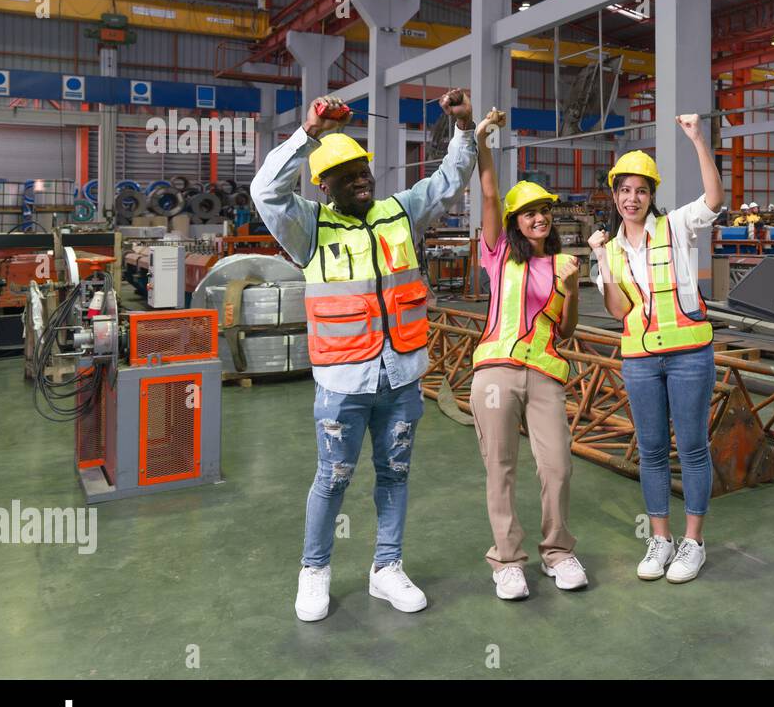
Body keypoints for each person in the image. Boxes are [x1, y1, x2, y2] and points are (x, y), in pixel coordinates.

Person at [251, 91, 477, 622]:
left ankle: (387, 568)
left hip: (400, 376)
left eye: (363, 169)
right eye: (347, 173)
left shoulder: (400, 213)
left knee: (395, 472)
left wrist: (464, 128)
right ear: (323, 185)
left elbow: (449, 179)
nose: (361, 178)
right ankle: (314, 571)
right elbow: (266, 190)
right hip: (342, 382)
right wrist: (309, 134)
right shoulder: (308, 228)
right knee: (333, 477)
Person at [588, 114, 723, 583]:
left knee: (691, 449)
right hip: (641, 360)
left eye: (641, 190)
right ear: (614, 195)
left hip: (689, 355)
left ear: (651, 195)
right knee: (649, 451)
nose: (632, 198)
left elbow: (715, 199)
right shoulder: (609, 248)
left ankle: (694, 543)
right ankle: (660, 540)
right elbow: (615, 307)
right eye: (624, 190)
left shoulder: (676, 226)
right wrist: (602, 261)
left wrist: (697, 140)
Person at [469, 106, 588, 601]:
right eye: (529, 213)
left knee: (556, 464)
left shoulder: (563, 262)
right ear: (517, 222)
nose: (538, 218)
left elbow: (566, 328)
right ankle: (507, 561)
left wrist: (574, 287)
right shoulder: (498, 254)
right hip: (495, 373)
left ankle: (557, 551)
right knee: (501, 467)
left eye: (544, 212)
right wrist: (482, 140)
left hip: (543, 374)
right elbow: (491, 192)